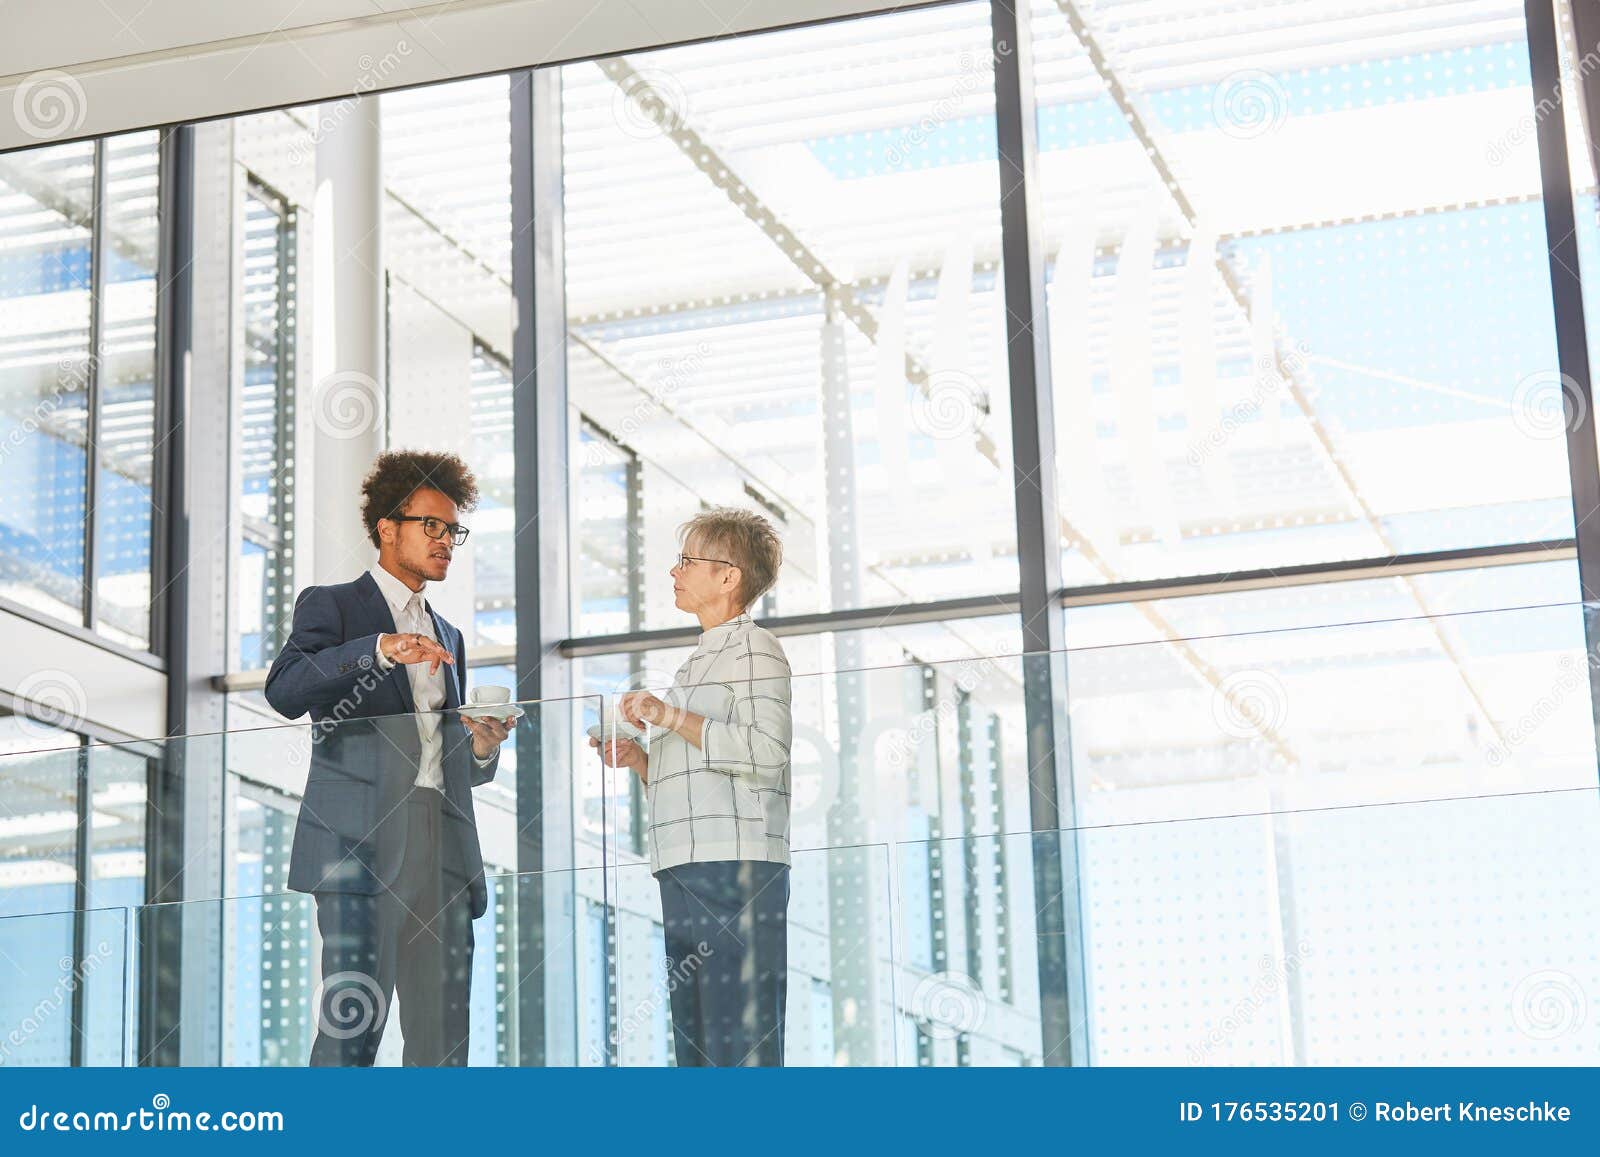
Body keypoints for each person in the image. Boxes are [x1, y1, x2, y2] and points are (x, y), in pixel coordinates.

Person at [264, 449, 511, 1066]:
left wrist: (479, 745)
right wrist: (376, 650)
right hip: (359, 850)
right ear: (386, 529)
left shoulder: (449, 635)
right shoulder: (335, 605)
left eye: (453, 530)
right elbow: (285, 690)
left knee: (444, 1045)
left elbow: (443, 755)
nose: (446, 541)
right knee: (353, 1033)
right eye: (431, 525)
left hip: (444, 850)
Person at [592, 507, 792, 1066]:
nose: (673, 572)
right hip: (686, 866)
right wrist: (639, 759)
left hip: (737, 870)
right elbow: (700, 780)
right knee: (698, 1045)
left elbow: (766, 753)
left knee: (739, 1045)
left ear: (728, 577)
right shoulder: (697, 663)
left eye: (686, 561)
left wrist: (669, 716)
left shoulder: (757, 650)